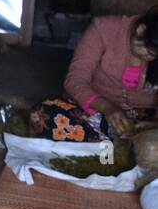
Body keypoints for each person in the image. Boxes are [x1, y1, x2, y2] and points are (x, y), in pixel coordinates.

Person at [54, 8, 158, 139]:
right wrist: (107, 108)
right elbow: (75, 80)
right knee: (46, 116)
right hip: (99, 108)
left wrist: (151, 125)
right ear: (141, 30)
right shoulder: (103, 29)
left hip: (146, 118)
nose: (151, 59)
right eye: (150, 53)